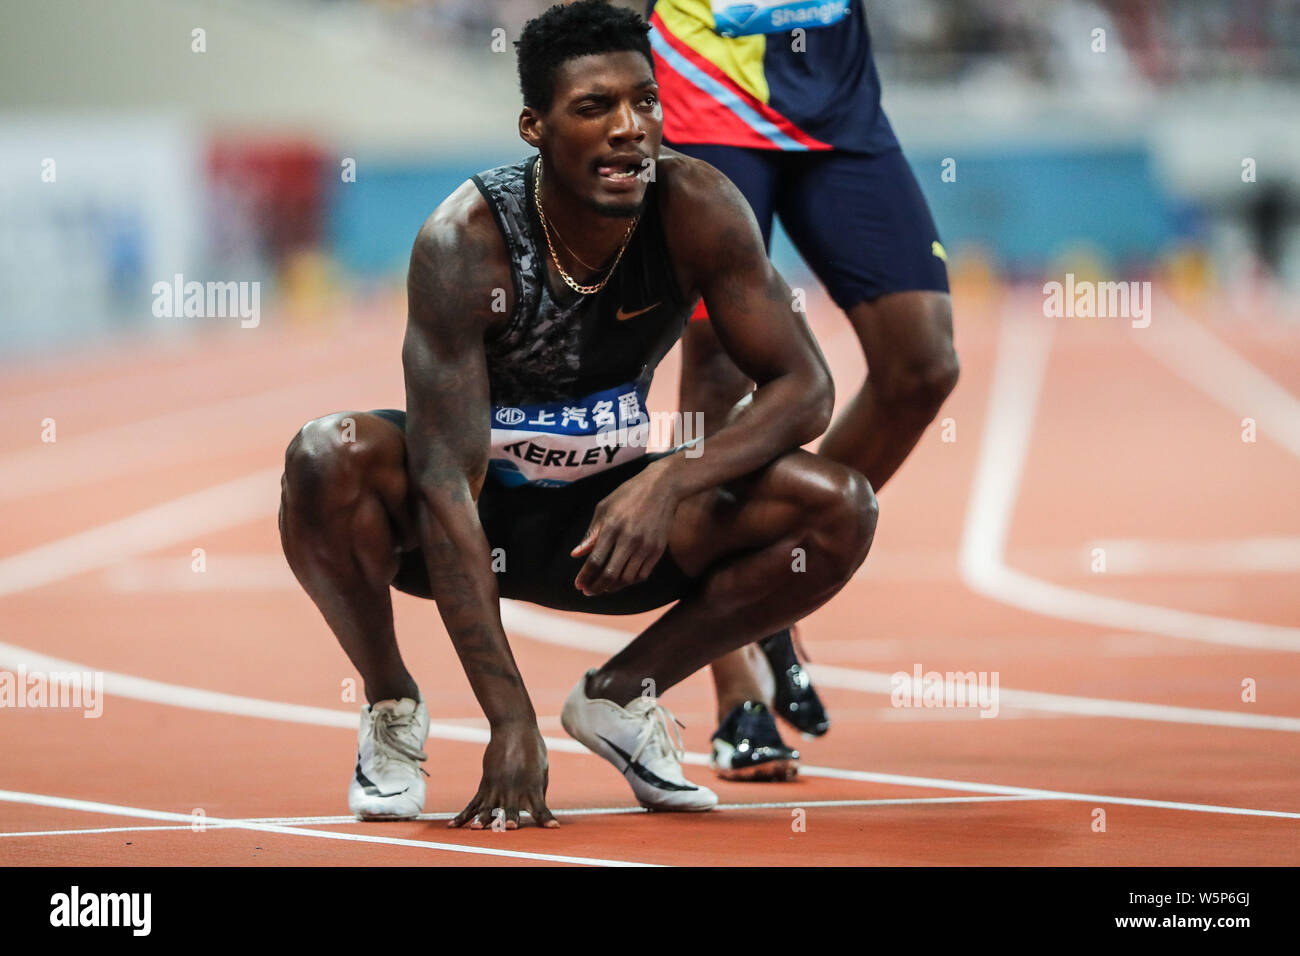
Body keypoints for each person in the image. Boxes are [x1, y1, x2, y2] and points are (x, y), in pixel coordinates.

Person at [278, 0, 877, 830]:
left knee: (837, 506)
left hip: (611, 529)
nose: (630, 129)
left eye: (645, 102)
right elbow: (445, 480)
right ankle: (390, 705)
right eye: (595, 108)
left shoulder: (698, 205)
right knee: (325, 455)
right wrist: (510, 721)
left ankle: (621, 698)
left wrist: (670, 478)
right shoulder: (466, 242)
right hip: (465, 519)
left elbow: (805, 387)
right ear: (535, 126)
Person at [647, 0, 959, 780]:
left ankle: (768, 573)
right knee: (716, 353)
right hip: (708, 63)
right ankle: (734, 685)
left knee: (921, 363)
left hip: (834, 83)